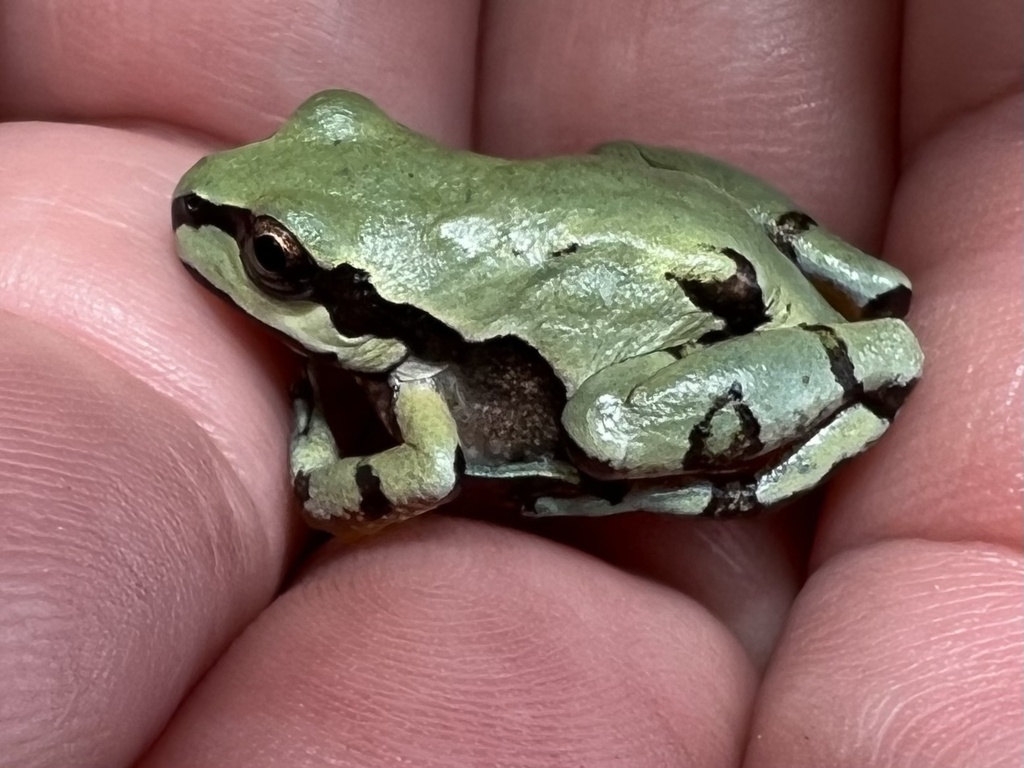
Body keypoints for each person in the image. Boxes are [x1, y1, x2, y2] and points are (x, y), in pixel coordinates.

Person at [1, 2, 1020, 766]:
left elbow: (424, 468)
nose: (221, 224)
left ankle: (815, 393)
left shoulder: (417, 376)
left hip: (719, 318)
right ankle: (835, 303)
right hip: (679, 234)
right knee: (620, 162)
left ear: (361, 306)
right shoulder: (390, 303)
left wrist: (315, 466)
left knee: (607, 423)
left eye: (270, 257)